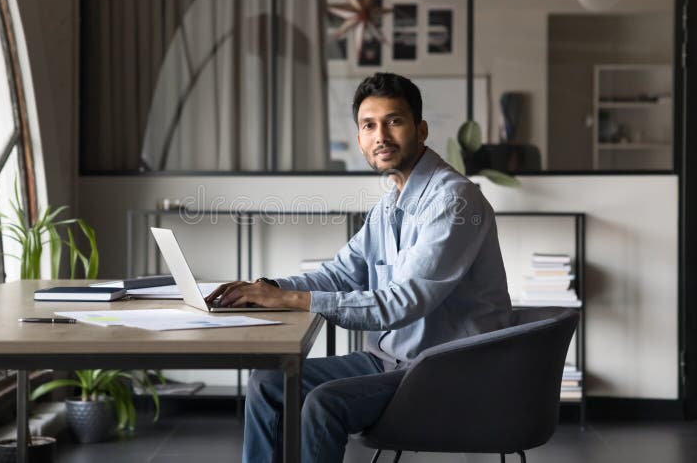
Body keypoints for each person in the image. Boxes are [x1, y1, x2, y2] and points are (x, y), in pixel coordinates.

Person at [206, 72, 511, 463]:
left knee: (323, 404)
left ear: (421, 131)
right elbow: (340, 273)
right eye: (369, 125)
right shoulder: (389, 206)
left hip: (445, 371)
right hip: (391, 361)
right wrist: (263, 288)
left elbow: (403, 303)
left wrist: (290, 299)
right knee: (269, 383)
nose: (380, 135)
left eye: (394, 121)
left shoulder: (454, 201)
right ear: (360, 139)